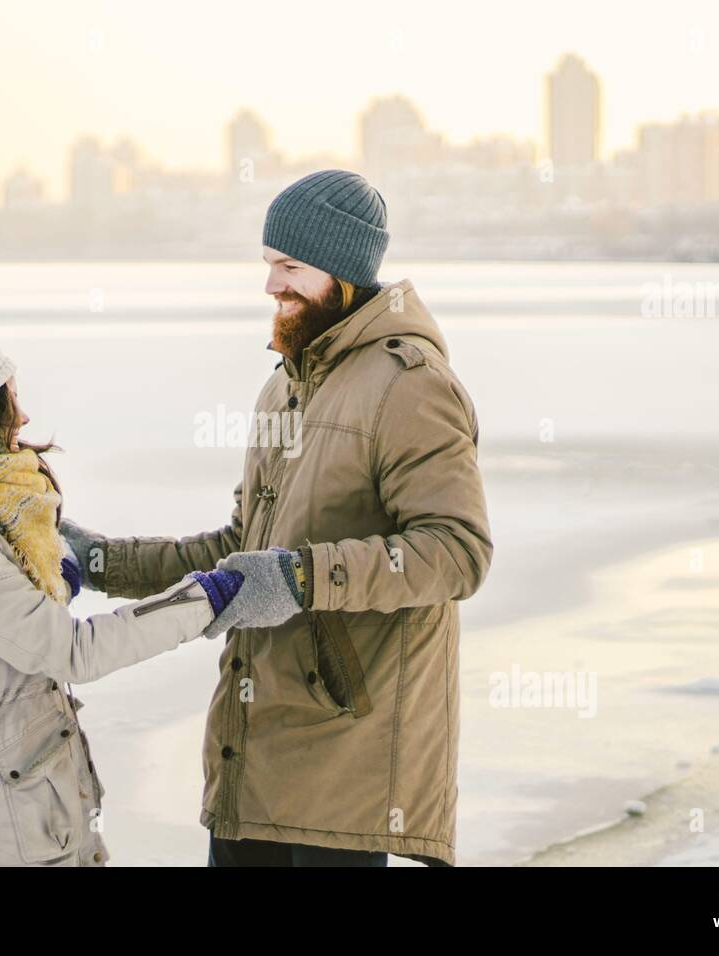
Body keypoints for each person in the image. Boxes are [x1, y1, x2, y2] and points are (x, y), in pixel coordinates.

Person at [63, 170, 493, 867]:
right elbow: (243, 548)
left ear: (344, 272)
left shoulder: (411, 385)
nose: (271, 287)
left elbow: (455, 552)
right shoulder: (285, 385)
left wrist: (300, 578)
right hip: (251, 743)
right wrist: (106, 560)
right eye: (269, 266)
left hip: (344, 758)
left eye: (290, 268)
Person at [0, 334, 300, 866]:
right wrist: (208, 599)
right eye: (9, 400)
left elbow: (2, 616)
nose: (22, 417)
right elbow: (69, 651)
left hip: (24, 776)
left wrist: (59, 572)